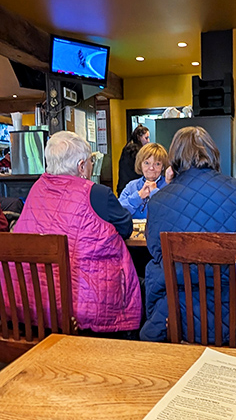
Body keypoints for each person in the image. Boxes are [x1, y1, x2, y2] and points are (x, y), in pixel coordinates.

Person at [140, 126, 236, 342]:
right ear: (213, 154)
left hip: (180, 316)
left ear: (174, 158)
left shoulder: (160, 200)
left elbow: (156, 251)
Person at [13, 131, 142, 334]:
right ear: (81, 166)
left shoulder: (36, 189)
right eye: (90, 161)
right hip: (87, 308)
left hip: (31, 304)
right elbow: (126, 228)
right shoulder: (97, 193)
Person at [118, 142, 169, 219]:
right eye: (147, 163)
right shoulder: (132, 185)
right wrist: (139, 196)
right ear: (140, 164)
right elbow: (118, 212)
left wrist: (154, 193)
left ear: (163, 167)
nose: (151, 168)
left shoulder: (169, 185)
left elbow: (169, 213)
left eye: (157, 164)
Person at [117, 124, 150, 195]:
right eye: (146, 138)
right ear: (139, 137)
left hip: (124, 186)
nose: (148, 141)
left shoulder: (128, 148)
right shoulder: (134, 151)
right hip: (132, 188)